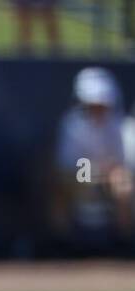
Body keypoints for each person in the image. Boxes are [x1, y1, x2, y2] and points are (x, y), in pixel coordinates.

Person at [52, 67, 133, 252]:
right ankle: (63, 245)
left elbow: (122, 163)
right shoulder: (72, 126)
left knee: (124, 186)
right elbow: (68, 166)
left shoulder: (120, 126)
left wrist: (109, 173)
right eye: (93, 104)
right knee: (57, 186)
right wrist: (92, 173)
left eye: (101, 104)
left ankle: (125, 243)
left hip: (109, 176)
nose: (98, 109)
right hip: (79, 177)